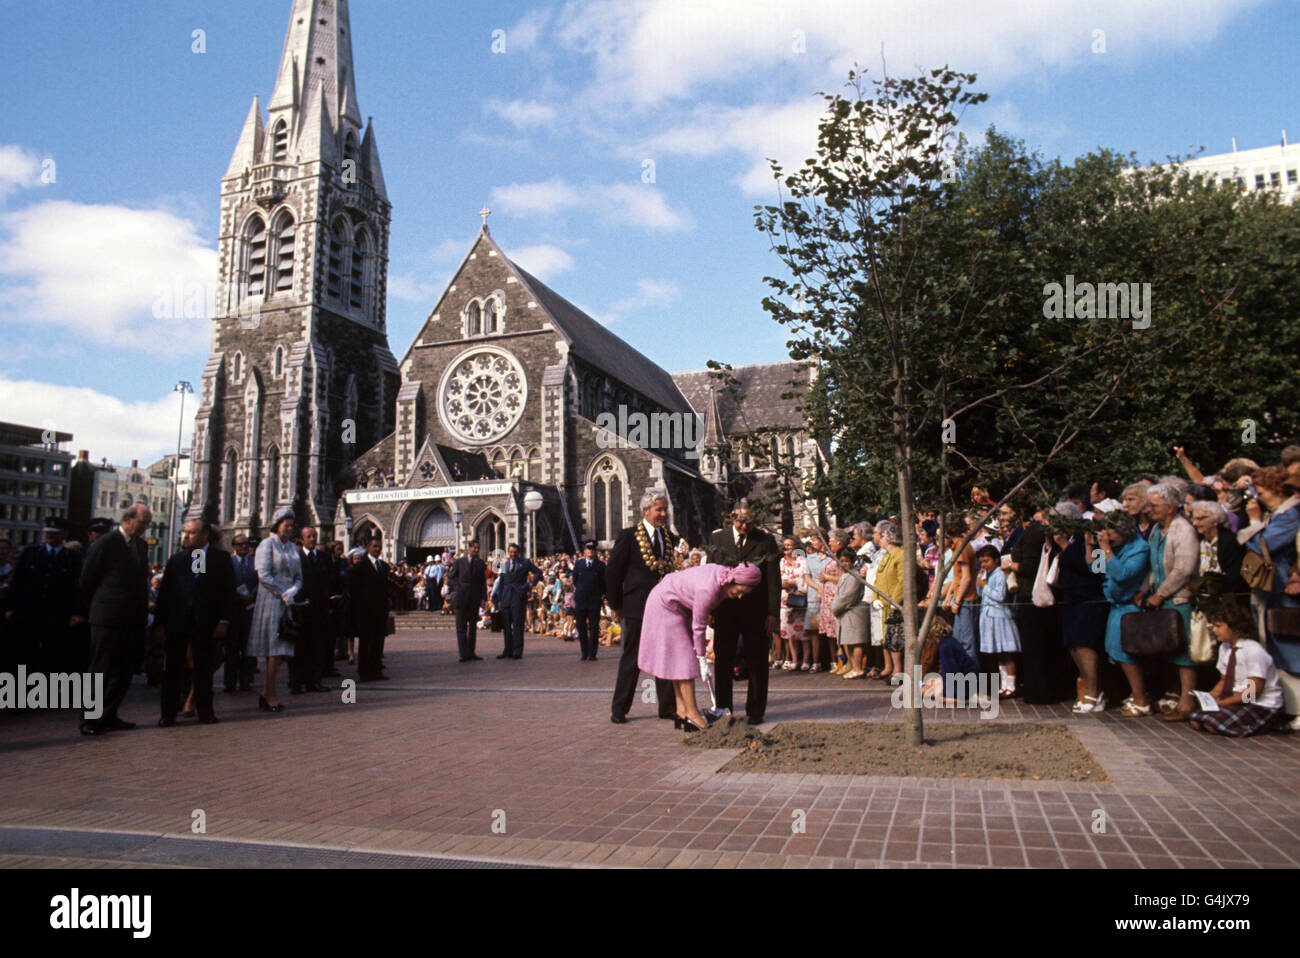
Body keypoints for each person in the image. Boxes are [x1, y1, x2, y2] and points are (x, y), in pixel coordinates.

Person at [638, 562, 762, 731]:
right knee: (684, 662)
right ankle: (693, 715)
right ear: (734, 581)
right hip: (665, 605)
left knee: (678, 660)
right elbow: (699, 627)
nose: (740, 597)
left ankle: (682, 712)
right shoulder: (708, 589)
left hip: (677, 606)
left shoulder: (724, 579)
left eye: (744, 594)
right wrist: (702, 658)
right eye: (740, 591)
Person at [75, 504, 152, 735]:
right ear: (128, 519)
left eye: (148, 523)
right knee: (101, 668)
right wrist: (96, 608)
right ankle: (89, 719)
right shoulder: (106, 543)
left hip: (132, 618)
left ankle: (109, 713)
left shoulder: (140, 546)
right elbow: (87, 579)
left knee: (124, 668)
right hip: (107, 617)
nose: (146, 527)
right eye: (143, 522)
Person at [153, 519, 237, 726]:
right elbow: (165, 595)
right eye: (185, 532)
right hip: (178, 623)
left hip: (206, 623)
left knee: (203, 669)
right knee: (172, 669)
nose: (186, 537)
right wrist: (159, 625)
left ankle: (205, 711)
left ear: (205, 535)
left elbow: (228, 593)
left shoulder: (221, 559)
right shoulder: (176, 560)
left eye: (191, 533)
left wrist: (224, 621)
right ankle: (169, 713)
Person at [609, 490, 681, 724]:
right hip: (636, 607)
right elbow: (613, 572)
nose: (663, 514)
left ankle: (667, 707)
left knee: (665, 656)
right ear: (646, 511)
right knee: (632, 658)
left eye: (664, 509)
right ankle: (620, 708)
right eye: (658, 510)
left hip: (663, 608)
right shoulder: (629, 536)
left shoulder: (668, 537)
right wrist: (616, 604)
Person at [705, 500, 780, 724]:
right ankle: (723, 708)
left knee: (757, 660)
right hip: (725, 609)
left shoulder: (766, 541)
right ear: (732, 517)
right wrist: (710, 607)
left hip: (756, 610)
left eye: (749, 522)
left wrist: (773, 613)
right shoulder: (717, 539)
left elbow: (774, 579)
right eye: (740, 521)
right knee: (723, 659)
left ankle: (756, 711)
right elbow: (710, 575)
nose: (744, 526)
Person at [1137, 483, 1200, 721]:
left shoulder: (1184, 531)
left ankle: (1187, 701)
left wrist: (1160, 594)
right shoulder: (1156, 530)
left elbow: (1183, 569)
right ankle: (1172, 694)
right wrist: (1144, 589)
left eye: (1154, 505)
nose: (1149, 509)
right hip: (1162, 599)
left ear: (1171, 508)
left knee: (1183, 651)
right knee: (1168, 649)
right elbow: (1156, 565)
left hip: (1179, 598)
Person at [1188, 601, 1291, 737]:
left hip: (1259, 703)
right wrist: (1210, 698)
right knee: (1196, 719)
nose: (1214, 630)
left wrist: (1222, 703)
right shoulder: (1225, 648)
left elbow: (1252, 693)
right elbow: (1223, 680)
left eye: (1218, 626)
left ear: (1235, 628)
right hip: (1237, 700)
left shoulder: (1254, 651)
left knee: (1212, 724)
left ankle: (1271, 724)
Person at [4, 517, 82, 674]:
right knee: (25, 654)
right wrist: (10, 608)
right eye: (48, 533)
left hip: (57, 615)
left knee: (52, 655)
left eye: (54, 533)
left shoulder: (72, 558)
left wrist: (77, 612)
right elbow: (17, 583)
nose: (50, 536)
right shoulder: (31, 554)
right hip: (30, 613)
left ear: (64, 534)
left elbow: (77, 588)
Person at [1099, 513, 1154, 716]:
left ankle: (1141, 700)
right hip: (1116, 606)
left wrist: (1106, 550)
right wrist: (1092, 548)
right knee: (1116, 652)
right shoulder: (1115, 547)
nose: (1108, 537)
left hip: (1130, 606)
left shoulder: (1140, 548)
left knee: (1127, 654)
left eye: (1111, 532)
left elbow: (1123, 575)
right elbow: (1096, 568)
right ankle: (1137, 694)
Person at [248, 509, 302, 711]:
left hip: (287, 601)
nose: (289, 528)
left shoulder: (291, 548)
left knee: (280, 651)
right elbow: (263, 574)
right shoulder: (267, 544)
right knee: (274, 650)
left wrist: (294, 590)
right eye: (286, 525)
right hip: (271, 600)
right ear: (277, 525)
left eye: (291, 525)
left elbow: (299, 576)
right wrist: (282, 593)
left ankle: (266, 693)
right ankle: (269, 695)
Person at [1054, 518, 1108, 712]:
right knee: (1074, 645)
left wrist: (1083, 546)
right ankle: (1086, 687)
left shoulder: (1093, 540)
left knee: (1086, 644)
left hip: (1089, 599)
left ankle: (1095, 691)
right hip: (1070, 599)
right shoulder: (1072, 540)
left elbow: (1097, 569)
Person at [975, 544, 1020, 699]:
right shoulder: (988, 575)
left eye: (986, 561)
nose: (984, 565)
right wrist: (981, 581)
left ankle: (1011, 685)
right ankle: (1004, 685)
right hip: (989, 616)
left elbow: (1000, 596)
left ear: (995, 560)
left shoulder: (1000, 575)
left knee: (1006, 652)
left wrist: (985, 586)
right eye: (981, 562)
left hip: (1000, 616)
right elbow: (980, 593)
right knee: (999, 653)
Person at [353, 533, 395, 680]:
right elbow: (354, 589)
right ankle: (364, 672)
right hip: (366, 611)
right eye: (374, 546)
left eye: (379, 546)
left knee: (378, 641)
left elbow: (386, 587)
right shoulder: (360, 566)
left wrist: (388, 599)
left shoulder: (383, 566)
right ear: (367, 547)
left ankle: (376, 670)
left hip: (380, 610)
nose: (377, 549)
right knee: (366, 642)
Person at [494, 543, 541, 659]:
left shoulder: (524, 563)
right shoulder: (505, 565)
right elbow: (501, 583)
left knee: (518, 625)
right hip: (506, 598)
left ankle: (517, 651)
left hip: (518, 596)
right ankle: (507, 650)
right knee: (506, 625)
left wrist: (530, 584)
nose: (513, 554)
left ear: (518, 552)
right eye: (510, 552)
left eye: (515, 552)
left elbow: (538, 572)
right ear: (508, 552)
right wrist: (499, 599)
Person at [225, 533, 258, 692]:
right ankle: (230, 681)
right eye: (240, 544)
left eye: (246, 543)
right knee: (232, 647)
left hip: (251, 609)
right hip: (234, 610)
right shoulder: (229, 563)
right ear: (234, 547)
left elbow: (261, 580)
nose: (244, 546)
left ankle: (246, 680)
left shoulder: (255, 562)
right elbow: (225, 585)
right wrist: (238, 597)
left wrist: (253, 595)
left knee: (249, 648)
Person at [446, 542, 486, 662]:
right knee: (461, 628)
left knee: (473, 627)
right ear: (469, 548)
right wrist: (459, 587)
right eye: (474, 547)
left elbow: (482, 582)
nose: (476, 550)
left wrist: (483, 598)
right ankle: (463, 654)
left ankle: (471, 652)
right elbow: (450, 578)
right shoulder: (459, 562)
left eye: (478, 548)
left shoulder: (480, 563)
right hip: (461, 598)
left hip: (474, 599)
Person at [831, 548, 868, 677]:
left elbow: (848, 597)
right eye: (841, 561)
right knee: (849, 642)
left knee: (856, 642)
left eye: (847, 561)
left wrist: (835, 608)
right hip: (845, 613)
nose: (844, 564)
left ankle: (858, 668)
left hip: (854, 613)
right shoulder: (844, 576)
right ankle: (853, 667)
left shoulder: (855, 576)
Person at [571, 540, 607, 661]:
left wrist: (600, 595)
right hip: (581, 600)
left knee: (594, 628)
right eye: (588, 549)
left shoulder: (601, 566)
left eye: (592, 549)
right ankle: (584, 652)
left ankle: (592, 653)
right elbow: (575, 580)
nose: (590, 551)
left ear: (595, 551)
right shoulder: (579, 564)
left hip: (594, 600)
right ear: (584, 551)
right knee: (581, 626)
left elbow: (604, 583)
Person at [778, 536, 809, 670]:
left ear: (795, 547)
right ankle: (794, 660)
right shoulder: (781, 562)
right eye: (785, 545)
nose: (787, 548)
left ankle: (806, 661)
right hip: (785, 599)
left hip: (799, 597)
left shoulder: (802, 561)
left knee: (804, 633)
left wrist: (794, 583)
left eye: (790, 545)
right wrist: (782, 583)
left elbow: (805, 577)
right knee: (790, 633)